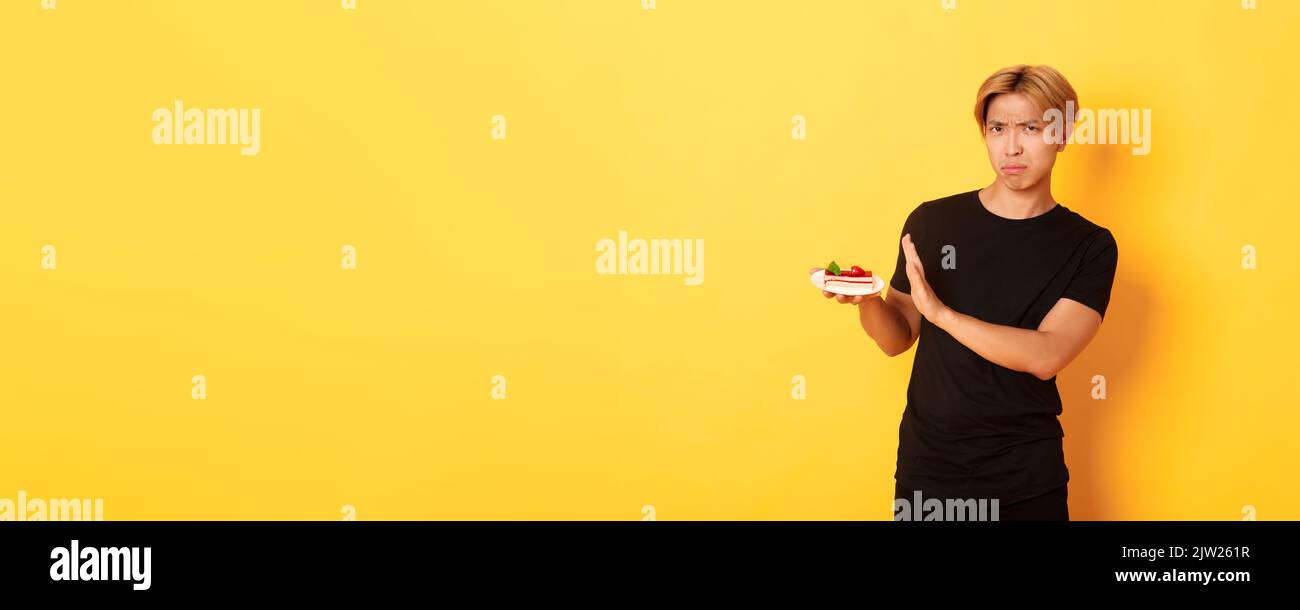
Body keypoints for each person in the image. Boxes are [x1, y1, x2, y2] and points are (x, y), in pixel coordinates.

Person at [825, 64, 1118, 521]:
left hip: (1025, 477)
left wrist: (943, 315)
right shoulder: (931, 221)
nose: (1012, 146)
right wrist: (865, 298)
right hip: (930, 474)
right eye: (997, 128)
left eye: (1031, 128)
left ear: (1062, 135)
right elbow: (896, 338)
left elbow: (1046, 355)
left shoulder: (1089, 245)